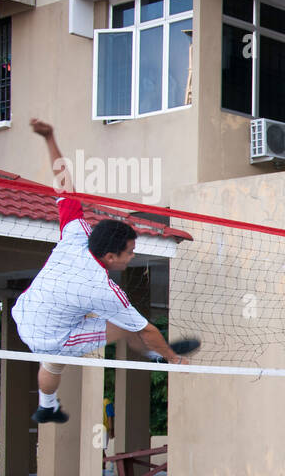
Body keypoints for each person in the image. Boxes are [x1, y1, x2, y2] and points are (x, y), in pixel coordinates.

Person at [11, 119, 196, 423]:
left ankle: (47, 407)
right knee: (123, 327)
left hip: (28, 312)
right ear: (110, 256)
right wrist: (176, 359)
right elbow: (145, 328)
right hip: (50, 335)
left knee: (65, 354)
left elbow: (63, 183)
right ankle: (160, 357)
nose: (133, 256)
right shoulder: (102, 289)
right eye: (130, 252)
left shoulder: (75, 233)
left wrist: (49, 137)